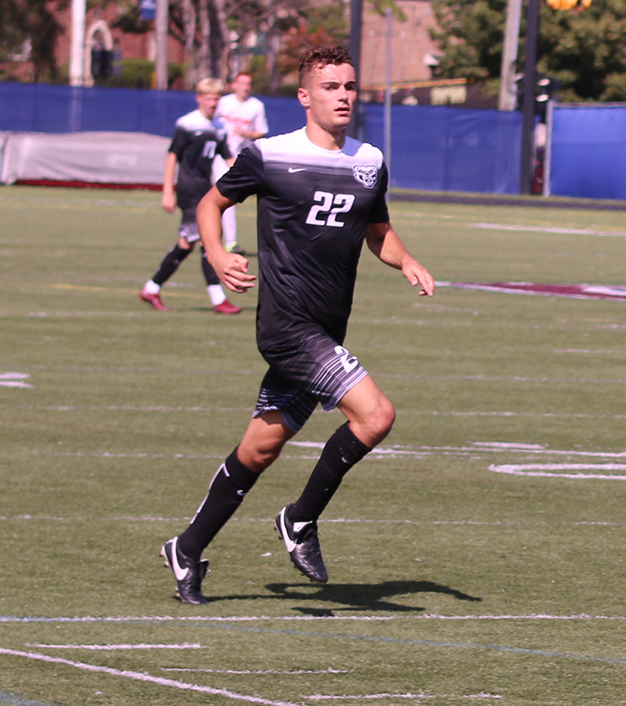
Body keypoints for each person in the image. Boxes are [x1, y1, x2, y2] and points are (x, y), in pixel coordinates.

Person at [159, 44, 435, 605]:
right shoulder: (269, 155)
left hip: (327, 329)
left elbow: (376, 229)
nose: (344, 96)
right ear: (306, 97)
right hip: (287, 327)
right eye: (331, 87)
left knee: (259, 450)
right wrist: (215, 254)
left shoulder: (370, 160)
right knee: (377, 414)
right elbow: (211, 205)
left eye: (350, 86)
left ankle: (186, 549)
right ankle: (300, 519)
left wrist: (405, 259)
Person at [137, 78, 240, 315]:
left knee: (185, 245)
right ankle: (218, 300)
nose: (213, 103)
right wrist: (167, 192)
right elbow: (172, 157)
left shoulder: (219, 127)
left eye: (216, 98)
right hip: (188, 191)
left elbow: (229, 159)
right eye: (209, 98)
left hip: (205, 190)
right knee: (209, 241)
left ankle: (151, 288)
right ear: (199, 98)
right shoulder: (187, 124)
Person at [215, 70, 271, 252]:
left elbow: (261, 132)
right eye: (242, 83)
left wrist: (245, 133)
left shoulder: (256, 106)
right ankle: (203, 238)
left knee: (227, 197)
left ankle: (230, 242)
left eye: (248, 84)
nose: (245, 87)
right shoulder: (224, 103)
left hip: (238, 159)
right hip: (218, 156)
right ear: (234, 85)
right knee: (212, 196)